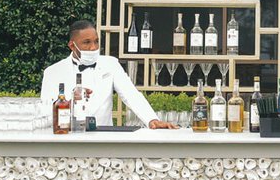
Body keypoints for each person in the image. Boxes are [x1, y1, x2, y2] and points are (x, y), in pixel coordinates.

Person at [39, 19, 177, 128]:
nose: (93, 47)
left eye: (96, 41)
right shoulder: (53, 72)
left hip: (104, 137)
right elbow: (45, 113)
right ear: (71, 45)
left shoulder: (110, 64)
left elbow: (131, 94)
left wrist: (152, 119)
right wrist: (70, 100)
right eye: (86, 42)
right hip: (67, 138)